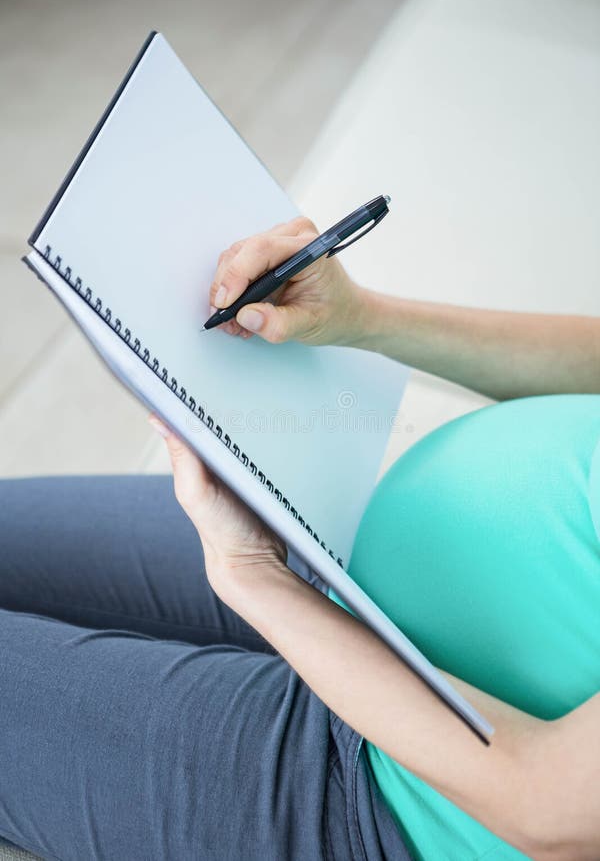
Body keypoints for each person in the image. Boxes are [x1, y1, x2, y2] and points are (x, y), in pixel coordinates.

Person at [0, 217, 598, 861]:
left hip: (374, 794)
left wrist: (252, 574)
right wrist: (361, 317)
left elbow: (545, 806)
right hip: (338, 548)